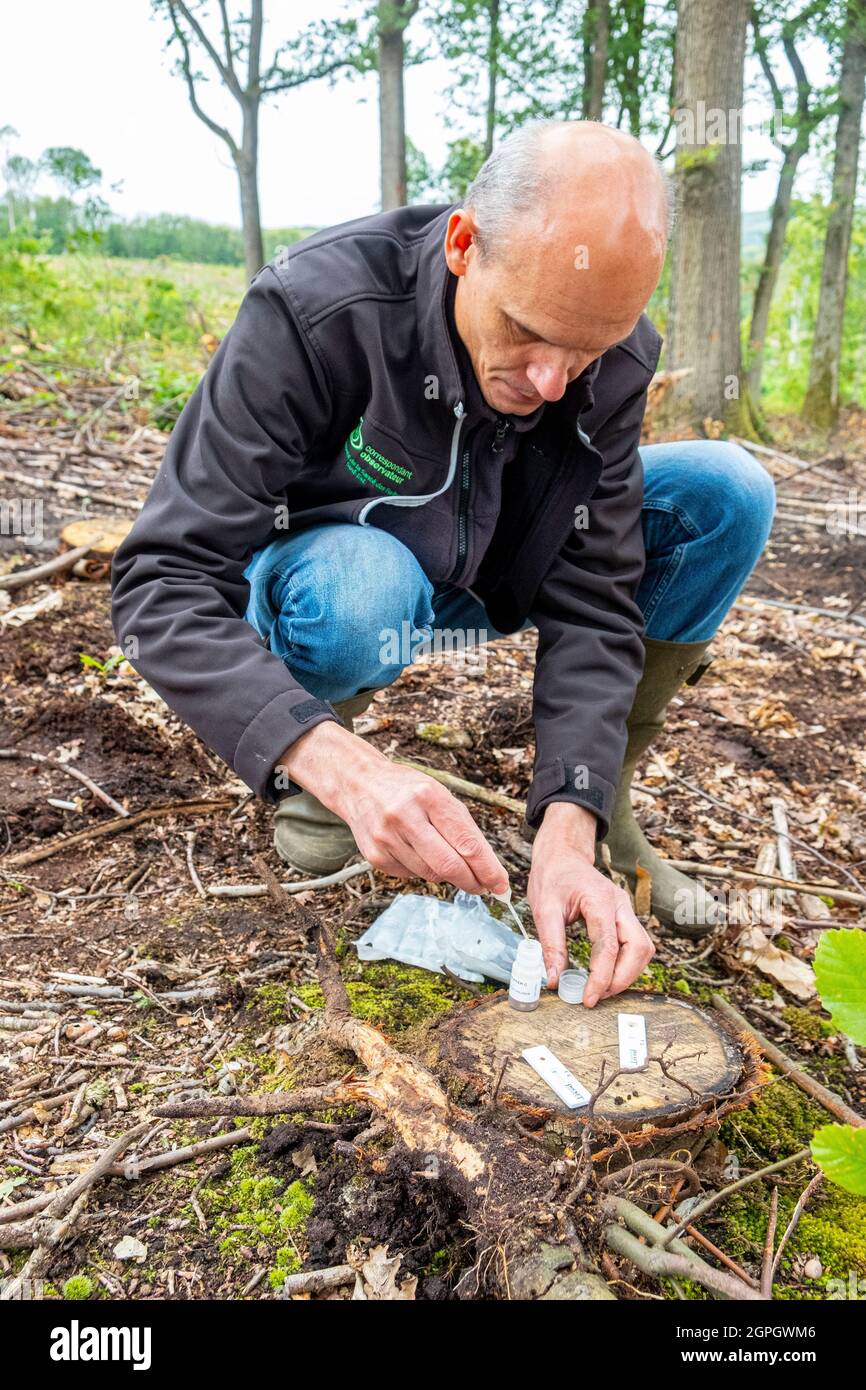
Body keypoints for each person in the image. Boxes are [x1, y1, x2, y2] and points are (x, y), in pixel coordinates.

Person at [112, 120, 775, 1008]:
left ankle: (603, 813)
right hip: (338, 581)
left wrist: (568, 814)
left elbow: (598, 591)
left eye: (586, 354)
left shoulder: (604, 355)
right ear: (465, 245)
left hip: (495, 569)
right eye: (530, 333)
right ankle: (318, 764)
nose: (551, 382)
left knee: (725, 492)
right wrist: (337, 762)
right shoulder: (318, 313)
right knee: (360, 586)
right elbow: (162, 576)